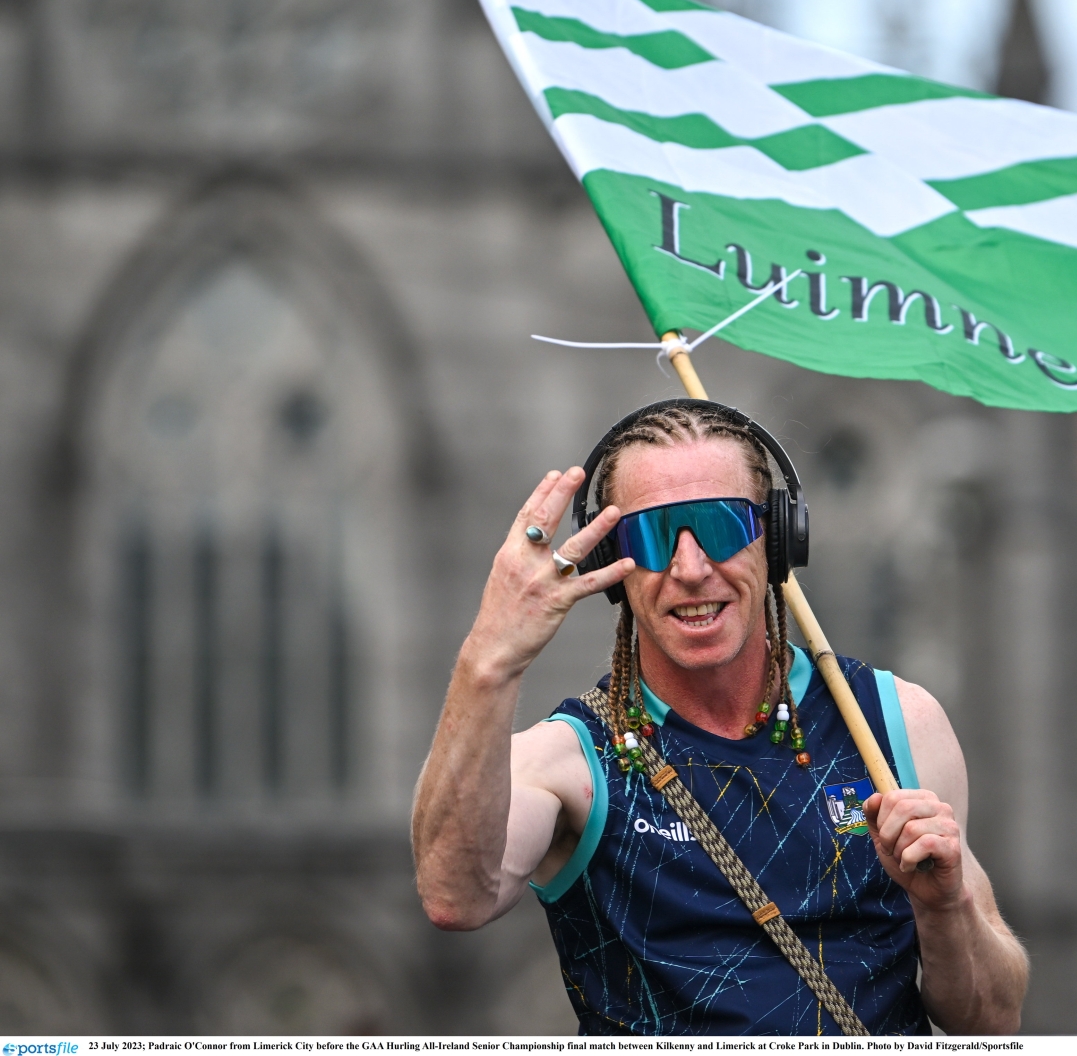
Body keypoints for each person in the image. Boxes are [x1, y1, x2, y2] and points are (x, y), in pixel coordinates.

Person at [411, 398, 1027, 1035]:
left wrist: (945, 910)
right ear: (611, 566)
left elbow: (993, 1021)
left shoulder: (897, 723)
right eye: (652, 535)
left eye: (722, 526)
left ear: (779, 537)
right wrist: (490, 658)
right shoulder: (571, 762)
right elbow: (455, 895)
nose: (690, 568)